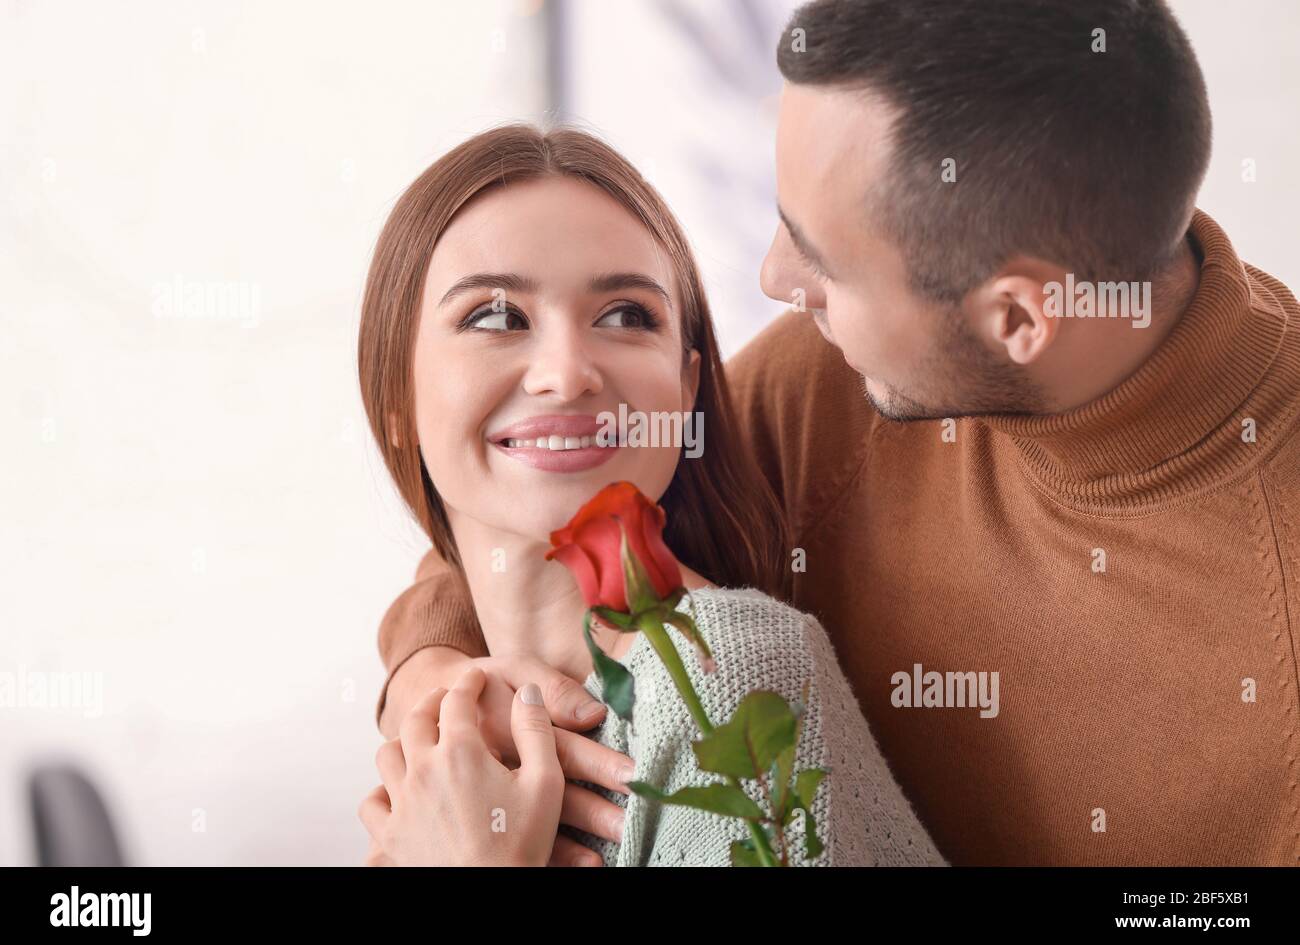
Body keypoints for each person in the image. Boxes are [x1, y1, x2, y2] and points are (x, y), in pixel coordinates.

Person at [371, 0, 1300, 866]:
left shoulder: (1275, 621)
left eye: (821, 256)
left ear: (1017, 319)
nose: (775, 280)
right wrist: (433, 678)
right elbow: (559, 488)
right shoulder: (835, 378)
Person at [354, 124, 945, 866]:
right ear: (395, 399)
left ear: (688, 387)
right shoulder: (446, 747)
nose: (568, 373)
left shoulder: (733, 686)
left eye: (626, 315)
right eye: (497, 317)